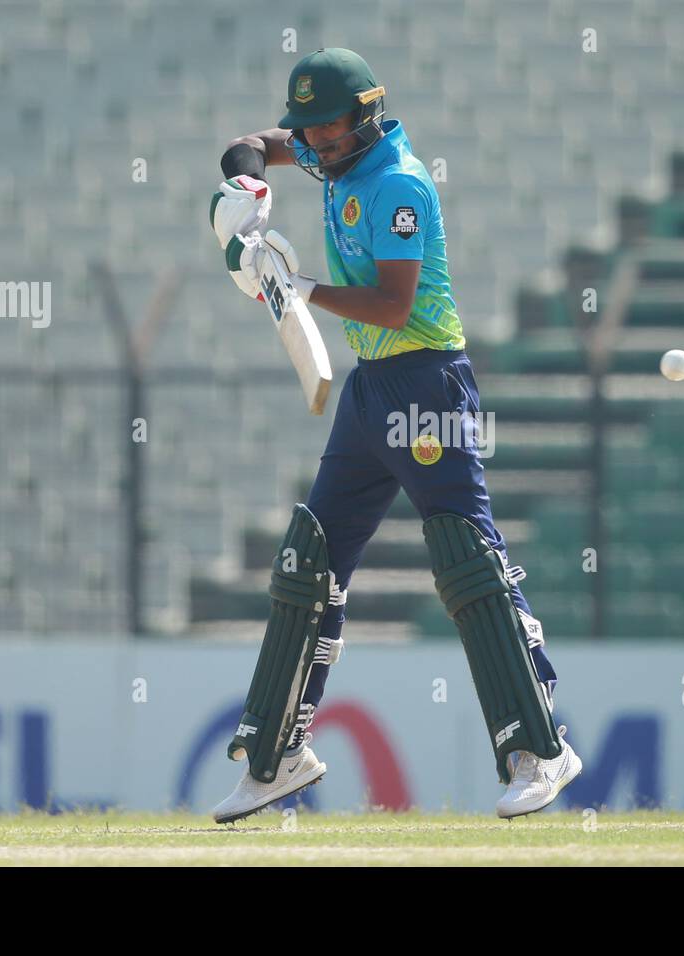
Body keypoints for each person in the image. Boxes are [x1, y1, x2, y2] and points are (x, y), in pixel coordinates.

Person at [208, 48, 580, 822]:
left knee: (465, 560)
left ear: (367, 114)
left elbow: (393, 305)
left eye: (330, 126)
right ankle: (278, 756)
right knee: (308, 561)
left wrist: (297, 286)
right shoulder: (324, 146)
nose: (317, 142)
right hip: (371, 391)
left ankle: (538, 749)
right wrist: (244, 180)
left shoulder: (398, 184)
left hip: (428, 382)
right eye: (307, 129)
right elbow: (255, 143)